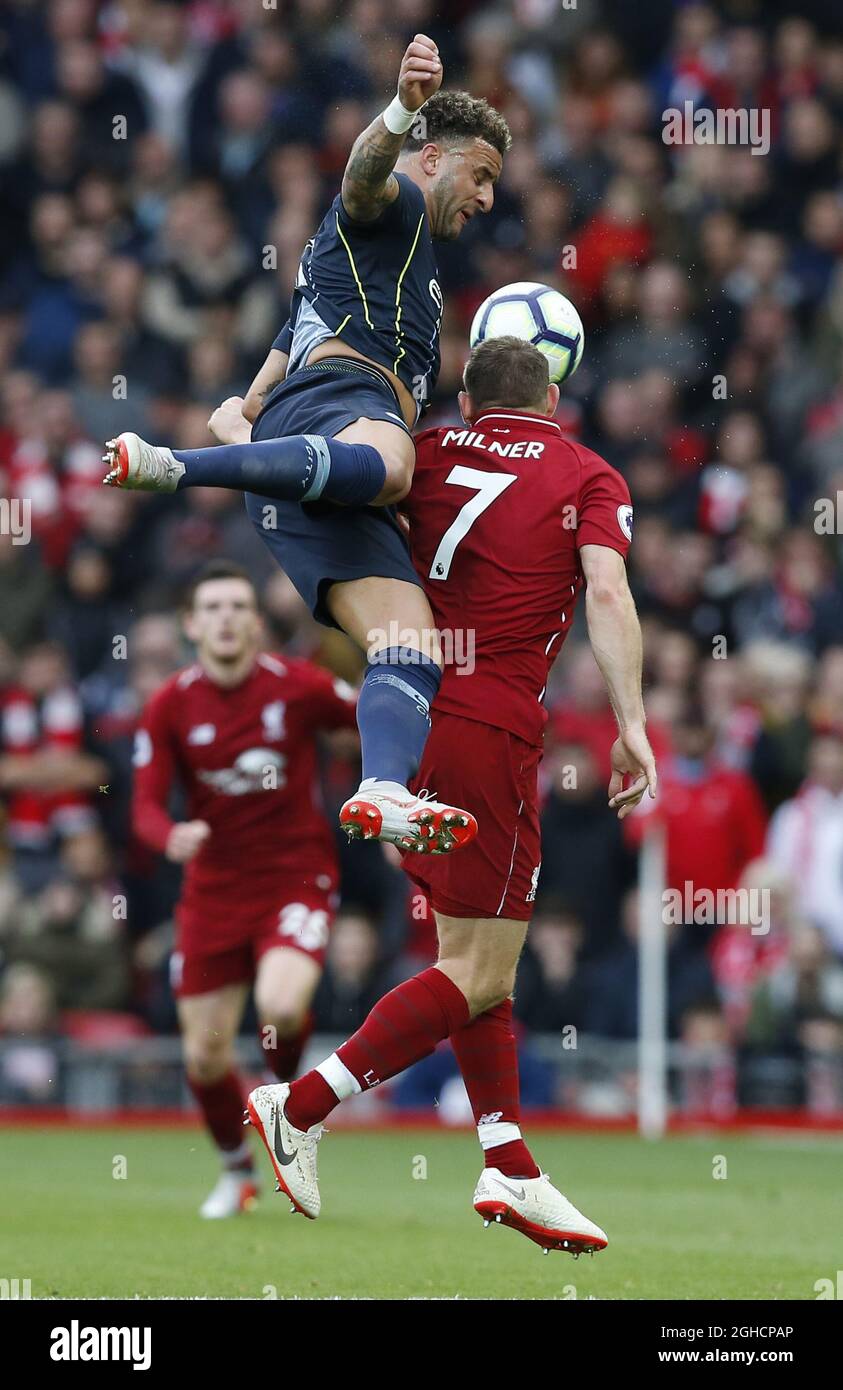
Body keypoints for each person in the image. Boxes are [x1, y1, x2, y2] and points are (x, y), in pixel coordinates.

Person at [245, 337, 658, 1257]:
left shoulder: (423, 451)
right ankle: (300, 1105)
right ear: (552, 393)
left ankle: (507, 1160)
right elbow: (606, 589)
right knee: (480, 968)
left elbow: (334, 503)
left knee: (474, 957)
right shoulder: (588, 472)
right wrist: (632, 722)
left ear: (466, 398)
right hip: (491, 729)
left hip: (408, 711)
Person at [103, 35, 511, 858]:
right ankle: (175, 468)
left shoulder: (376, 263)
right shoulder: (393, 202)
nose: (487, 199)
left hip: (295, 463)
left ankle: (382, 787)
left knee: (408, 642)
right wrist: (398, 106)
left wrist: (242, 413)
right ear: (431, 158)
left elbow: (286, 343)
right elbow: (360, 176)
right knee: (396, 465)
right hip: (341, 411)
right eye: (481, 176)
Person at [131, 560, 357, 1218]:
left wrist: (394, 791)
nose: (226, 618)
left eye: (237, 607)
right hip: (212, 891)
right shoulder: (170, 703)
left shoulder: (299, 686)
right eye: (213, 608)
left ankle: (285, 1098)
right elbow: (143, 805)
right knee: (203, 1057)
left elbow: (369, 716)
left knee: (280, 1009)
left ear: (257, 624)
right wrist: (167, 835)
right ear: (191, 625)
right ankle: (238, 1173)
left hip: (295, 876)